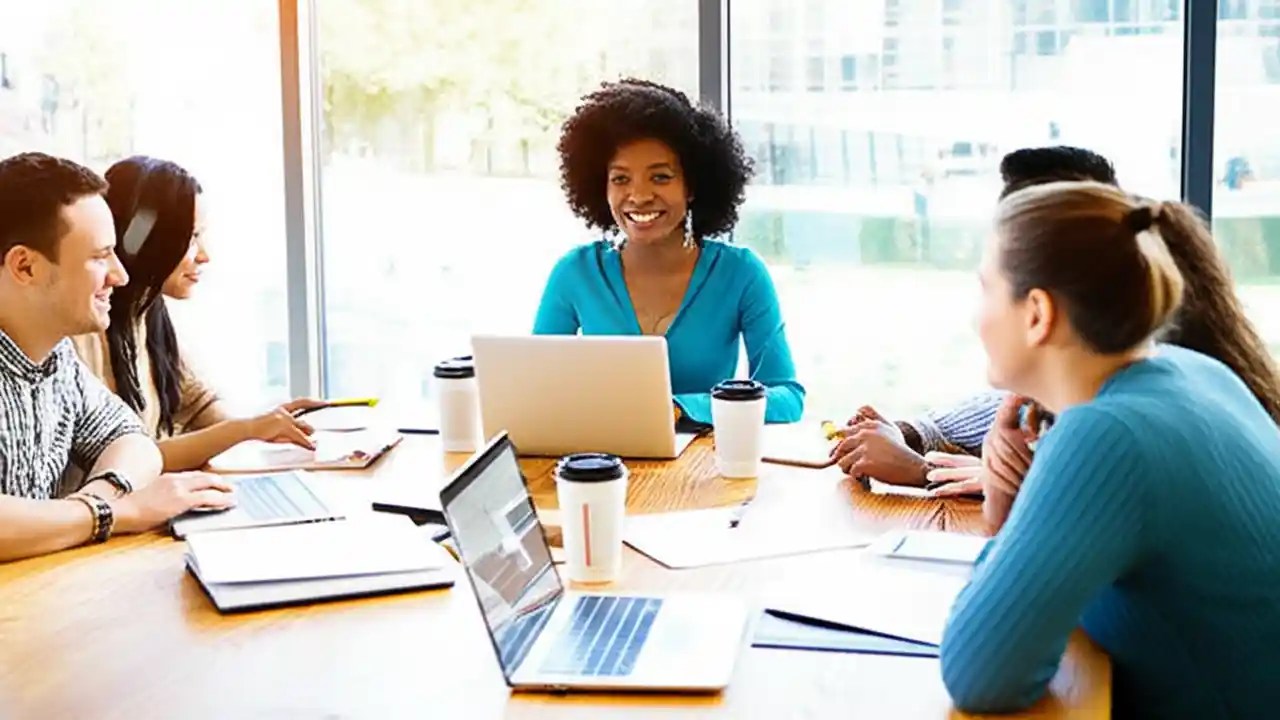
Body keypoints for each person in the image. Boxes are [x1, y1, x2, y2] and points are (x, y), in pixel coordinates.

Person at [939, 181, 1280, 718]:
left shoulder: (1105, 437)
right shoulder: (1197, 373)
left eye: (986, 288)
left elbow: (980, 674)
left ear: (1036, 314)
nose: (974, 315)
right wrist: (1016, 508)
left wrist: (1019, 523)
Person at [832, 145, 1280, 485]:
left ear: (1040, 305)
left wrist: (931, 471)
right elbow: (1015, 412)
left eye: (993, 285)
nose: (978, 317)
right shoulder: (1174, 369)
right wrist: (918, 434)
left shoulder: (1117, 415)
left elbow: (1096, 485)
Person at [0, 152, 233, 562]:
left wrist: (100, 502)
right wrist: (115, 512)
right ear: (25, 267)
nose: (120, 275)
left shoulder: (58, 363)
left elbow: (133, 441)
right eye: (98, 256)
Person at [532, 79, 804, 424]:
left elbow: (786, 397)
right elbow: (536, 390)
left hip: (707, 471)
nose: (640, 195)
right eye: (620, 179)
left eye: (660, 177)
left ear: (692, 186)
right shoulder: (575, 273)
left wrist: (681, 409)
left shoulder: (741, 274)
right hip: (602, 466)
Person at [72, 156, 322, 472]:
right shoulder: (82, 329)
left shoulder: (147, 311)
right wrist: (243, 431)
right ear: (144, 241)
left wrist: (267, 428)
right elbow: (124, 459)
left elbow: (197, 403)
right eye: (191, 238)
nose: (205, 255)